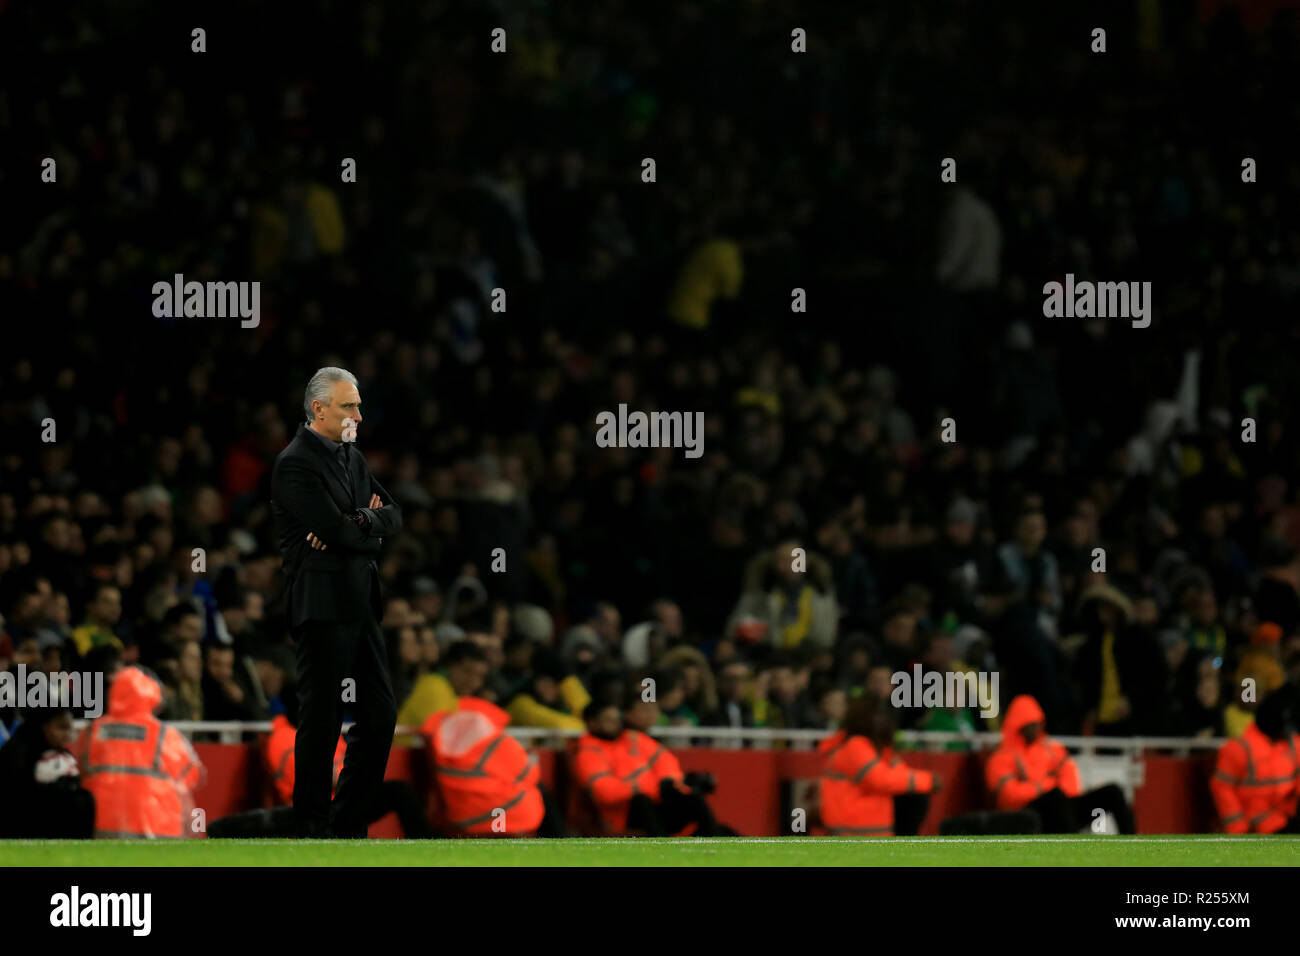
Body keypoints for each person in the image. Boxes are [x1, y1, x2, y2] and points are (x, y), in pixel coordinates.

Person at [271, 366, 403, 839]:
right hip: (322, 603)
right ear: (318, 409)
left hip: (361, 602)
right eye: (349, 406)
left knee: (381, 714)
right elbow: (342, 531)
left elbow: (393, 517)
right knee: (322, 717)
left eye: (359, 405)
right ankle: (310, 824)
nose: (358, 415)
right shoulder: (295, 463)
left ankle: (347, 824)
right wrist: (361, 528)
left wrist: (359, 524)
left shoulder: (352, 457)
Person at [208, 685, 433, 838]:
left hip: (342, 801)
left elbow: (348, 767)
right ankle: (218, 830)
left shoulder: (320, 729)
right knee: (239, 826)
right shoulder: (283, 738)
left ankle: (428, 842)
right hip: (309, 809)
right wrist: (350, 774)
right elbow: (316, 780)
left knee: (399, 791)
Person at [76, 666, 205, 838]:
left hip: (102, 830)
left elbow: (80, 771)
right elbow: (193, 775)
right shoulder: (165, 734)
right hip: (159, 828)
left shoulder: (91, 732)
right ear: (151, 695)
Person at [572, 701, 732, 836]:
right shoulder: (588, 752)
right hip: (622, 815)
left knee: (693, 796)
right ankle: (661, 851)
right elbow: (604, 792)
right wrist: (652, 788)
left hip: (656, 804)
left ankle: (715, 838)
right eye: (608, 720)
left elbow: (665, 760)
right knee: (642, 801)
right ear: (591, 723)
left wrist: (668, 782)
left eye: (616, 720)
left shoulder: (632, 738)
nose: (615, 725)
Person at [984, 694, 1135, 833]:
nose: (1038, 728)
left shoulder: (1051, 748)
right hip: (1028, 816)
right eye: (1032, 724)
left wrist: (1034, 785)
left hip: (1062, 808)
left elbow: (1071, 783)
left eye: (1039, 723)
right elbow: (1009, 797)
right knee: (1055, 797)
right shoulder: (1001, 756)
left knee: (1113, 792)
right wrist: (1048, 785)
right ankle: (1074, 848)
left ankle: (1131, 844)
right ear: (1020, 726)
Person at [422, 695, 563, 837]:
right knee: (540, 792)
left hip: (461, 817)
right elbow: (528, 773)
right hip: (505, 813)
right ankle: (560, 842)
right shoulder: (494, 741)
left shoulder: (442, 741)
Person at [818, 696, 939, 836]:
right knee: (913, 796)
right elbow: (880, 780)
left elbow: (899, 774)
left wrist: (920, 782)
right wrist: (928, 780)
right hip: (852, 831)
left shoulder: (874, 747)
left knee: (914, 794)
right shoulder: (854, 746)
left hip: (864, 828)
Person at [1210, 685, 1300, 834]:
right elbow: (1222, 789)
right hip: (1258, 823)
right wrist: (1237, 828)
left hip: (1286, 818)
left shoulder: (1293, 744)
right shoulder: (1239, 748)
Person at [0, 703, 96, 838]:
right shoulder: (16, 753)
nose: (68, 735)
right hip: (20, 827)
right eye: (62, 728)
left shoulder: (59, 752)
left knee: (84, 798)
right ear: (43, 726)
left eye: (70, 729)